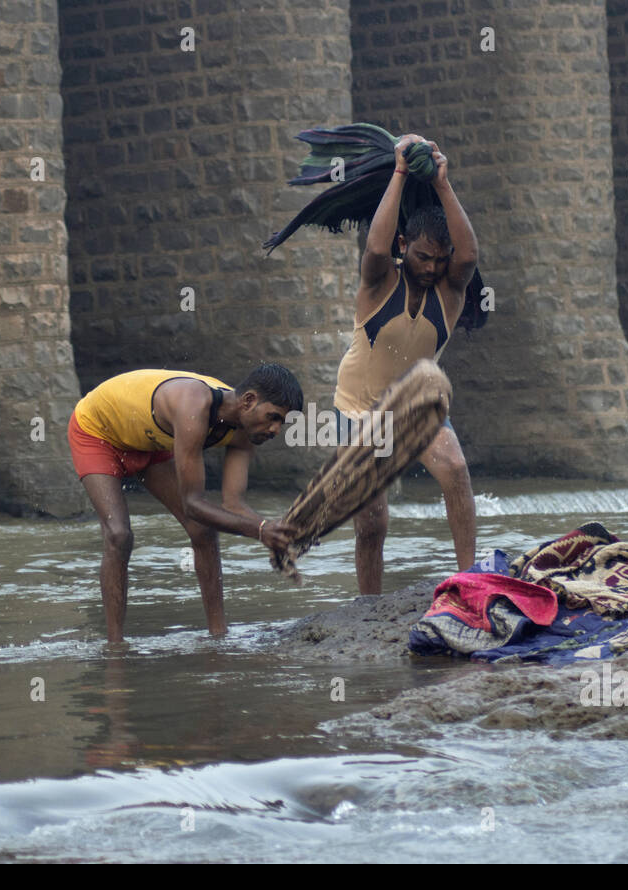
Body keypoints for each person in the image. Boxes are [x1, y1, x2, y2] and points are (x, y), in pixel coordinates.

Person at [334, 133, 480, 594]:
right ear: (404, 245)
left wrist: (442, 183)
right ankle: (368, 605)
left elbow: (469, 254)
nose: (431, 267)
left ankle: (469, 579)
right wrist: (399, 172)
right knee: (372, 522)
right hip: (359, 413)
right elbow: (375, 250)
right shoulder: (379, 281)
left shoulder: (450, 292)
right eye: (422, 256)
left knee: (454, 467)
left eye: (440, 260)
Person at [69, 365, 301, 639]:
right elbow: (193, 504)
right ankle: (115, 647)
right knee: (119, 535)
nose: (275, 430)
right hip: (98, 432)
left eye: (281, 423)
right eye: (272, 417)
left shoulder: (245, 433)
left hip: (149, 440)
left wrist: (277, 531)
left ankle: (218, 635)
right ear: (248, 400)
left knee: (202, 530)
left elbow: (234, 505)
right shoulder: (193, 406)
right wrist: (261, 531)